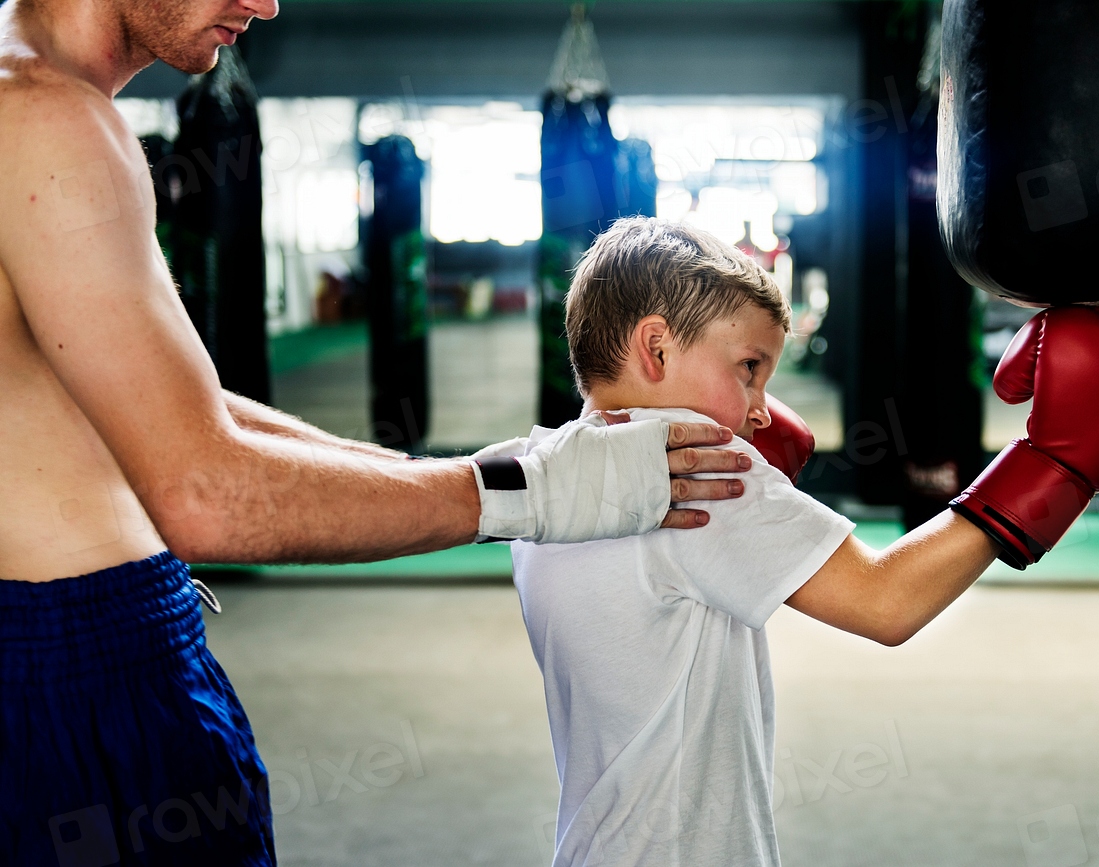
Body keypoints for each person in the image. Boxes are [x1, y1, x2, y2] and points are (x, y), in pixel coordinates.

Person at [0, 1, 755, 864]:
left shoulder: (30, 103)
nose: (265, 3)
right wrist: (536, 493)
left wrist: (453, 469)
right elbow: (206, 495)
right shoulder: (52, 121)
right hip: (74, 686)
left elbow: (176, 407)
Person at [509, 217, 1099, 865]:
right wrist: (1050, 463)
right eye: (748, 368)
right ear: (656, 348)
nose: (761, 409)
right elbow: (886, 601)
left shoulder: (544, 473)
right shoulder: (691, 462)